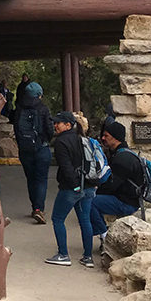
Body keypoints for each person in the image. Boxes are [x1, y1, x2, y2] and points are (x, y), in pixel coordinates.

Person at [44, 111, 95, 268]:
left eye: (58, 123)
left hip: (71, 188)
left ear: (67, 125)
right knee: (85, 220)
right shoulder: (83, 139)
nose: (55, 125)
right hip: (88, 185)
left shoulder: (61, 142)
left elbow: (66, 167)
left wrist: (75, 186)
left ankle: (63, 254)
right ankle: (88, 257)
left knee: (58, 219)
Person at [90, 120, 143, 247]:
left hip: (127, 202)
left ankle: (104, 235)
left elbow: (112, 185)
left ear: (116, 137)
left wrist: (95, 191)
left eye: (106, 136)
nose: (103, 138)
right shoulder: (125, 154)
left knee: (89, 202)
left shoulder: (122, 159)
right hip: (128, 198)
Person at [14, 81, 53, 224]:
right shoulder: (43, 109)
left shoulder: (19, 108)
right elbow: (49, 129)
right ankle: (38, 208)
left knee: (31, 179)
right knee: (41, 179)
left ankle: (34, 207)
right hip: (41, 148)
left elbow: (16, 129)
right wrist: (45, 140)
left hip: (25, 150)